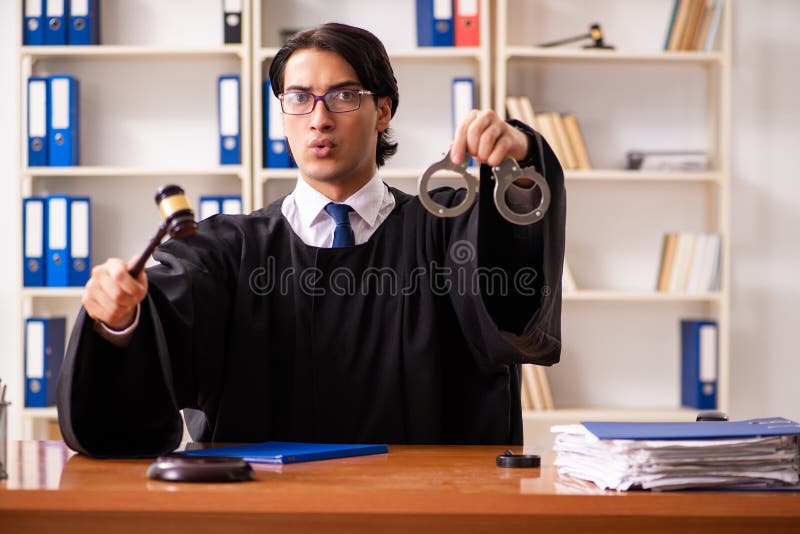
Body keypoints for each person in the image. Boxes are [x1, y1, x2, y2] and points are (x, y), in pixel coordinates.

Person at [57, 22, 565, 458]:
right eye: (298, 99)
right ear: (282, 115)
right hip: (265, 514)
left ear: (383, 112)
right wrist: (120, 320)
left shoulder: (446, 228)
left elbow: (512, 302)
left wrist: (518, 171)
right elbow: (160, 322)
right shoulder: (227, 250)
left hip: (420, 510)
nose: (319, 118)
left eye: (344, 96)